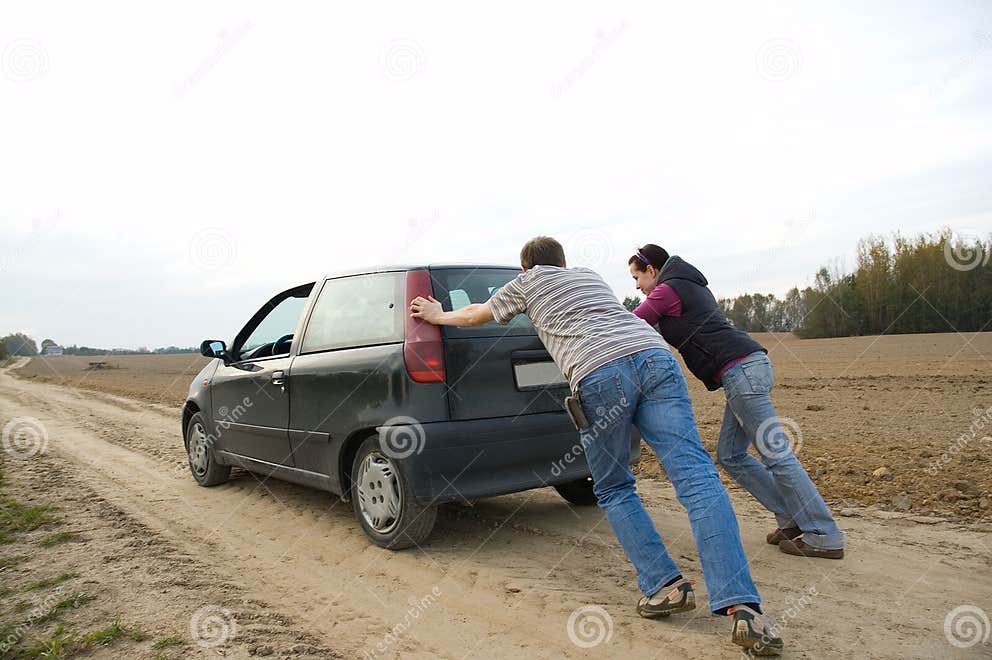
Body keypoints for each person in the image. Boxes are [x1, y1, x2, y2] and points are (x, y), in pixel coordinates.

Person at [411, 236, 784, 656]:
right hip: (655, 358)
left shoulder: (528, 283)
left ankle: (666, 586)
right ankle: (744, 609)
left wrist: (437, 314)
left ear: (525, 269)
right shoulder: (588, 277)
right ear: (565, 262)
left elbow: (476, 315)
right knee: (697, 479)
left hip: (600, 373)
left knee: (613, 486)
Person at [628, 244, 846, 559]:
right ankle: (792, 518)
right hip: (744, 370)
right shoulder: (687, 286)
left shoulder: (666, 290)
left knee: (777, 455)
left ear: (652, 270)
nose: (637, 286)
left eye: (637, 277)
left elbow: (632, 324)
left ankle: (825, 534)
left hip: (742, 371)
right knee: (731, 455)